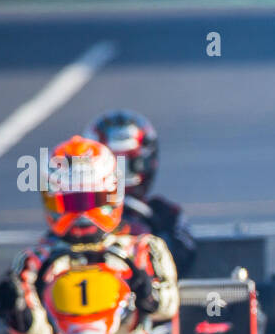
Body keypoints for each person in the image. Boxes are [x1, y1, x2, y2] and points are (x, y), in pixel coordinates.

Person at [0, 136, 179, 334]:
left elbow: (169, 306)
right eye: (70, 205)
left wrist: (147, 292)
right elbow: (33, 332)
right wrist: (16, 307)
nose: (81, 217)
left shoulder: (141, 249)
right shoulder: (35, 259)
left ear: (111, 196)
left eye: (91, 202)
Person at [84, 110, 196, 272]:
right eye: (113, 167)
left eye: (128, 166)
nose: (120, 177)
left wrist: (143, 240)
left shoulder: (165, 215)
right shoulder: (81, 216)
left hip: (147, 290)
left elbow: (185, 256)